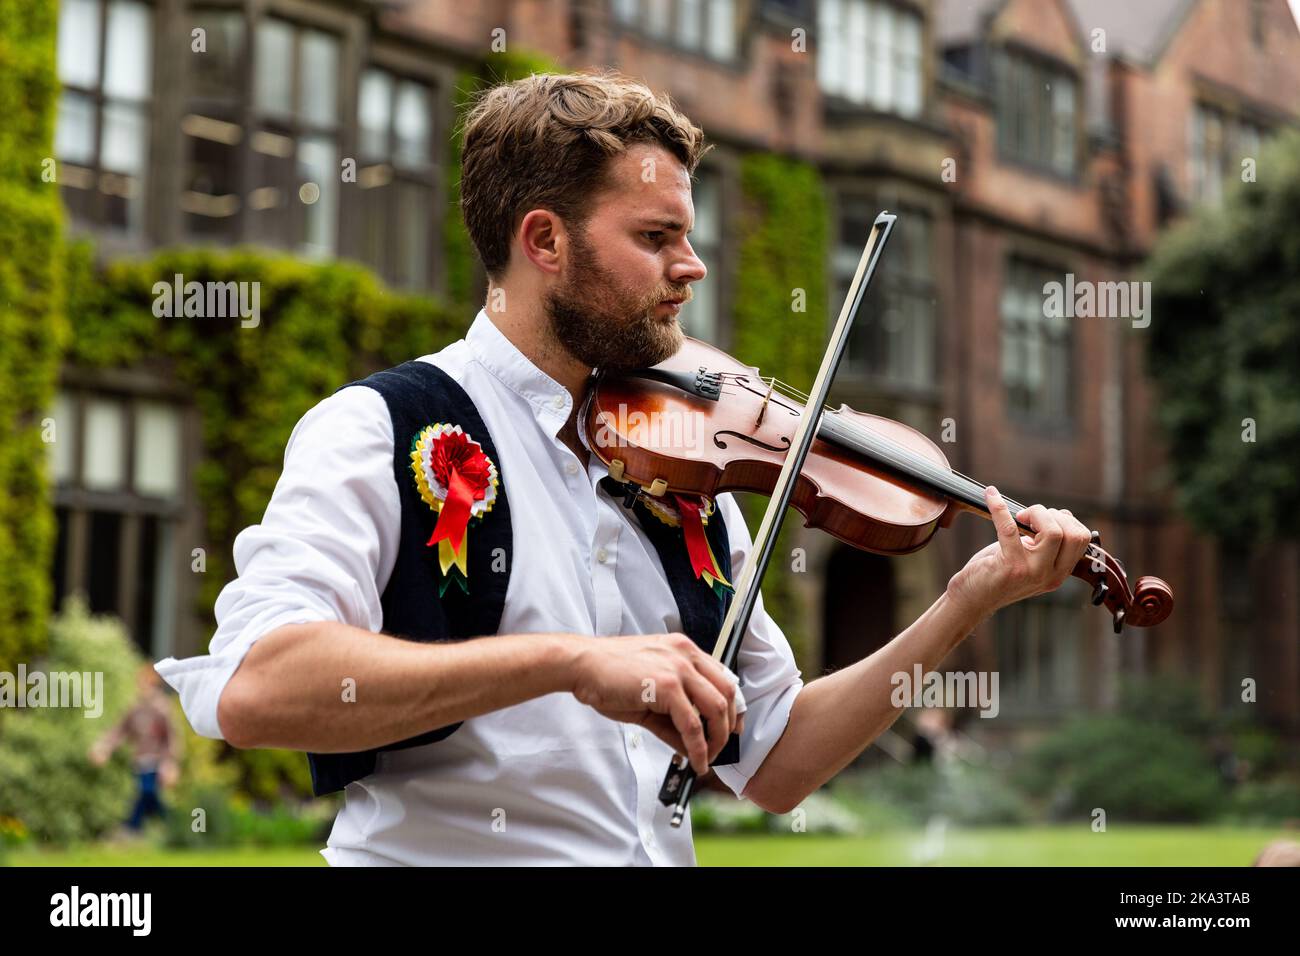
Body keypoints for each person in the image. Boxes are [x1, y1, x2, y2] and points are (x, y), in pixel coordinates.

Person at [155, 71, 1092, 866]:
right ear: (544, 243)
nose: (693, 269)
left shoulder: (689, 467)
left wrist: (966, 599)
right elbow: (257, 689)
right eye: (654, 238)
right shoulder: (375, 428)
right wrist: (568, 663)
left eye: (689, 235)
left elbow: (775, 761)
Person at [89, 663, 180, 834]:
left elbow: (171, 738)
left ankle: (133, 827)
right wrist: (103, 747)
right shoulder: (135, 709)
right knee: (147, 794)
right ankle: (168, 827)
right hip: (140, 761)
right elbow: (119, 731)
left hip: (157, 762)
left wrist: (170, 762)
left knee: (147, 792)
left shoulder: (162, 709)